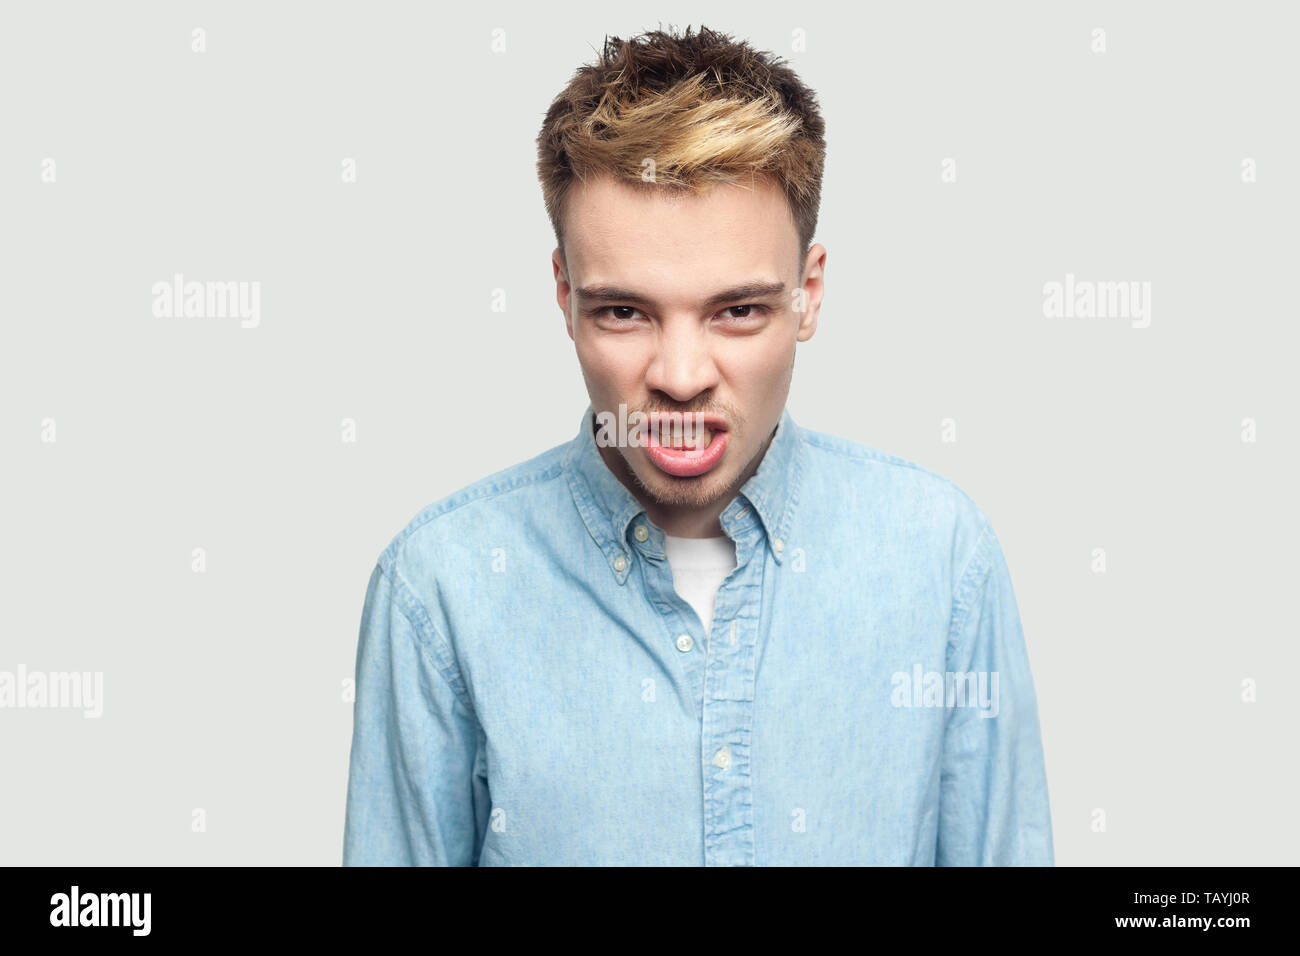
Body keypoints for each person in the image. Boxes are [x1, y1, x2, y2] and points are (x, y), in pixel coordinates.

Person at [343, 24, 1053, 866]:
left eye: (739, 310)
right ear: (564, 296)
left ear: (808, 296)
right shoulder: (440, 588)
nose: (680, 377)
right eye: (624, 311)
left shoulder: (941, 560)